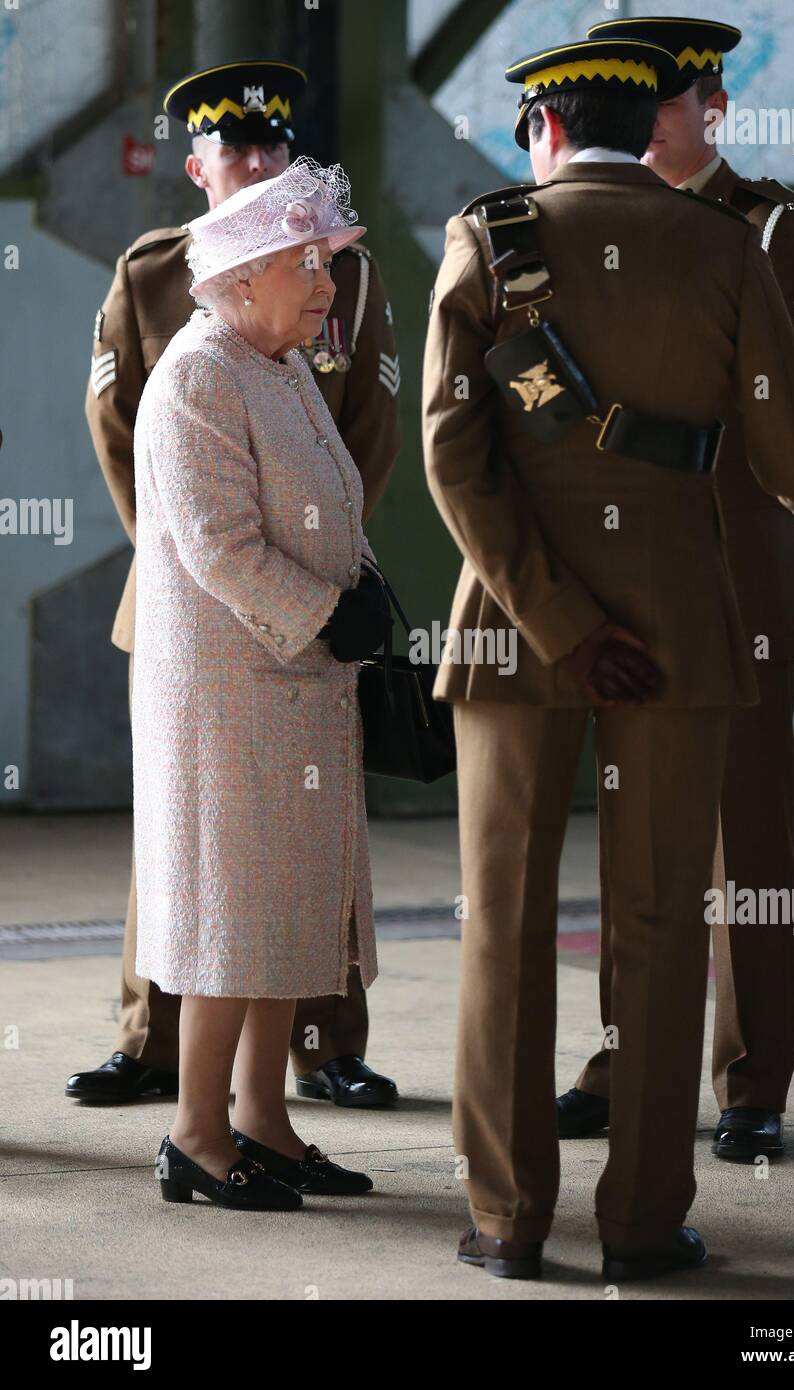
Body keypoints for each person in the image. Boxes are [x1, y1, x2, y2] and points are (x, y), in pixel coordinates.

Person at [423, 36, 794, 1280]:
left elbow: (454, 456)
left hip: (515, 625)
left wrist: (560, 618)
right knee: (665, 920)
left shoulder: (488, 236)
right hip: (679, 623)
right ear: (645, 123)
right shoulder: (726, 245)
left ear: (544, 129)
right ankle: (641, 1223)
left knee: (503, 919)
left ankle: (506, 1220)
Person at [558, 15, 794, 1162]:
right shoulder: (590, 225)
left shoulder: (768, 226)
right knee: (631, 836)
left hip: (734, 584)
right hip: (620, 580)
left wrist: (768, 550)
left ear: (713, 108)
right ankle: (622, 1058)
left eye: (673, 101)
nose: (651, 124)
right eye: (636, 104)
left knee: (745, 845)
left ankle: (749, 1078)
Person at [71, 60, 400, 1114]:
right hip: (204, 610)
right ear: (198, 166)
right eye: (237, 147)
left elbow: (368, 430)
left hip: (306, 591)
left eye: (273, 145)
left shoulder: (329, 285)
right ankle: (157, 1048)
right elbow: (120, 434)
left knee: (296, 856)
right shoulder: (158, 281)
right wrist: (192, 562)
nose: (258, 162)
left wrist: (332, 570)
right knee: (198, 856)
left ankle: (319, 1052)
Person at [135, 157, 388, 1209]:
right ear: (240, 277)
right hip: (230, 694)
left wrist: (362, 585)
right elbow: (221, 548)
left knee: (283, 910)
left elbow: (328, 501)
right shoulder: (201, 373)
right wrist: (330, 613)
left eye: (326, 262)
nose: (326, 284)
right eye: (305, 265)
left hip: (294, 683)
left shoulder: (276, 364)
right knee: (230, 916)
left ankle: (262, 1121)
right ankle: (196, 1137)